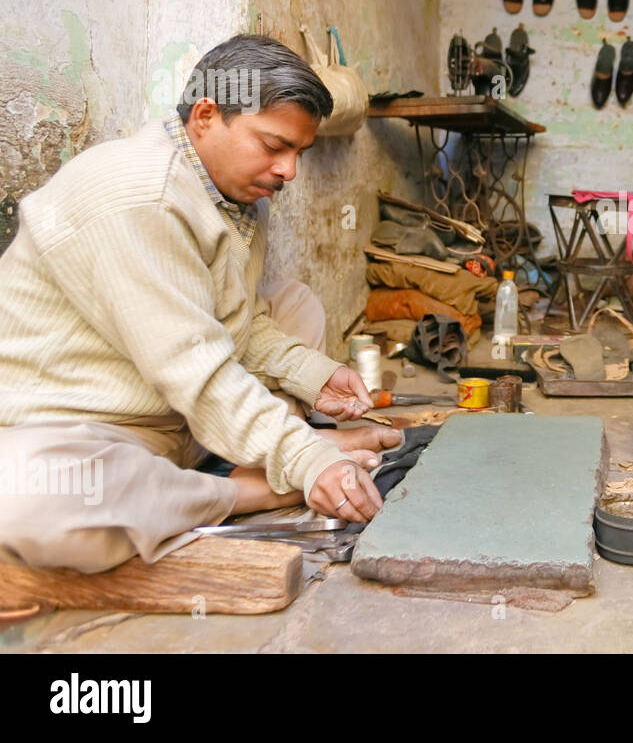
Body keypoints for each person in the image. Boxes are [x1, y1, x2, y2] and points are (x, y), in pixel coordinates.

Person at [0, 34, 397, 573]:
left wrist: (311, 375)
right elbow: (195, 365)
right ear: (207, 115)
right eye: (274, 146)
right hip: (90, 426)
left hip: (180, 422)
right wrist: (307, 457)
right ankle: (244, 492)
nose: (289, 172)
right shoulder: (140, 195)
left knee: (294, 302)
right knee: (27, 501)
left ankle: (233, 464)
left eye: (298, 153)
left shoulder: (232, 196)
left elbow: (234, 322)